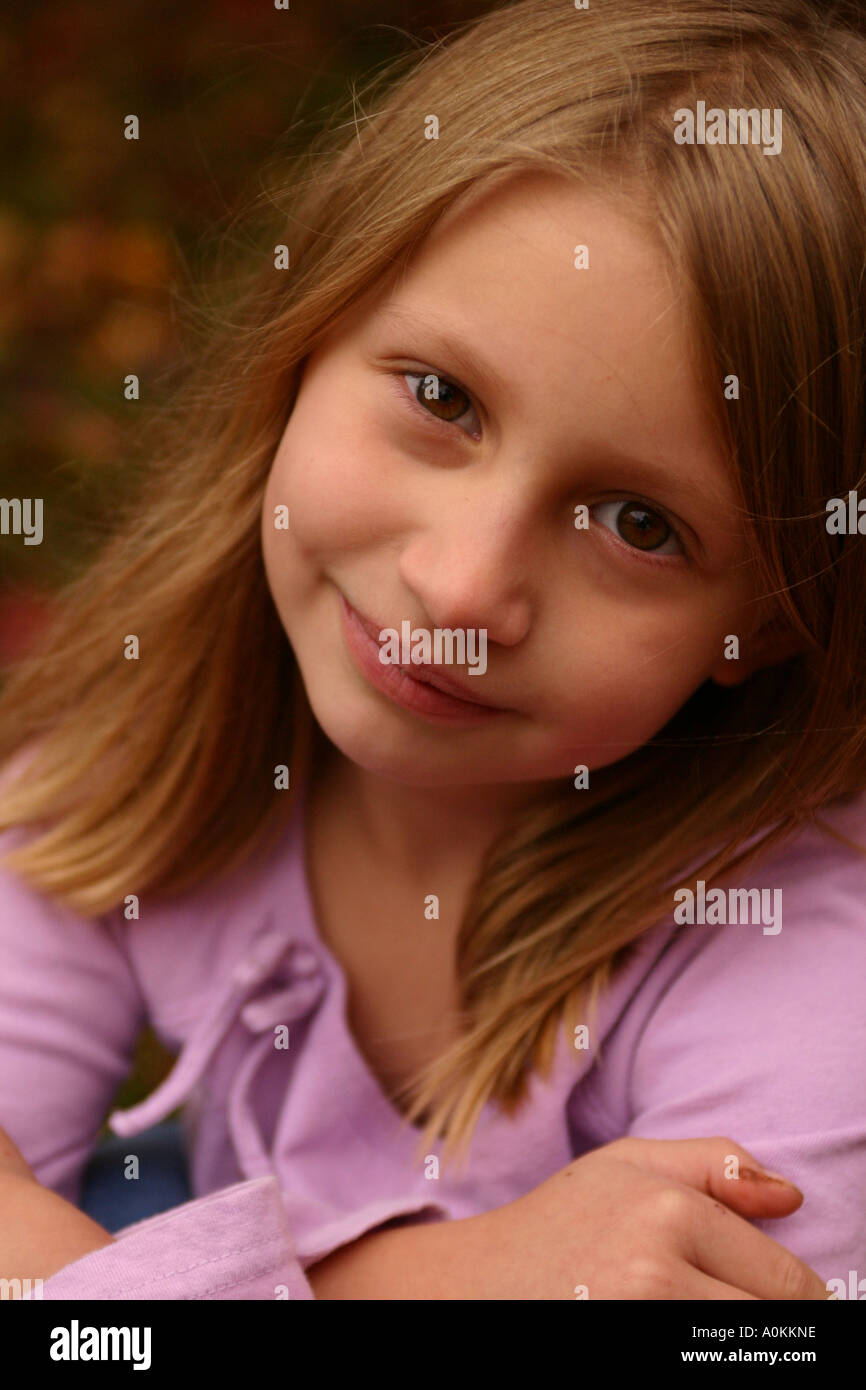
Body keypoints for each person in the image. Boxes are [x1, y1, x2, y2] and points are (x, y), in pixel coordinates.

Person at [0, 0, 864, 1300]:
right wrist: (439, 1281)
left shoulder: (807, 974)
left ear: (774, 618)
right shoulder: (152, 769)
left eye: (639, 524)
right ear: (302, 345)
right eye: (440, 399)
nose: (459, 585)